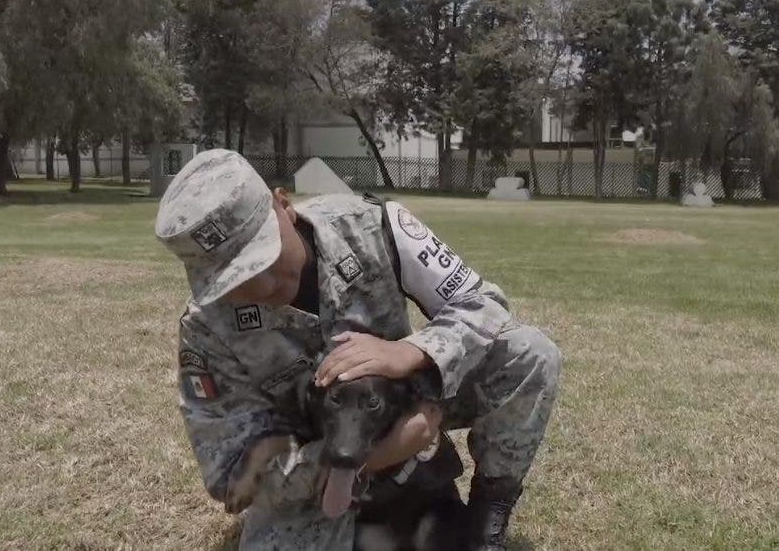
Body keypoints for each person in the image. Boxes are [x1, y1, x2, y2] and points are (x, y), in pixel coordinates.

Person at [154, 149, 561, 550]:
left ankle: (486, 522)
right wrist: (376, 456)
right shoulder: (206, 327)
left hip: (407, 403)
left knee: (527, 354)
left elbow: (482, 304)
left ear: (284, 205)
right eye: (234, 281)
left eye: (263, 255)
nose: (262, 287)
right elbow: (231, 474)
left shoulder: (372, 227)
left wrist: (415, 351)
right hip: (312, 470)